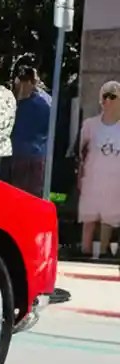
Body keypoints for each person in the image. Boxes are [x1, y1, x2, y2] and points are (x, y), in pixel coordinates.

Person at [77, 80, 120, 260]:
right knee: (89, 217)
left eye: (113, 96)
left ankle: (102, 254)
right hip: (92, 177)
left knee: (108, 218)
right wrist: (79, 173)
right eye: (105, 96)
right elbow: (79, 151)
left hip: (114, 179)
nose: (108, 100)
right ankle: (85, 252)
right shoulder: (90, 125)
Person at [9, 64, 51, 195]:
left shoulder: (34, 102)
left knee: (26, 190)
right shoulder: (45, 101)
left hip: (30, 152)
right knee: (27, 190)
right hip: (28, 152)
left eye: (23, 82)